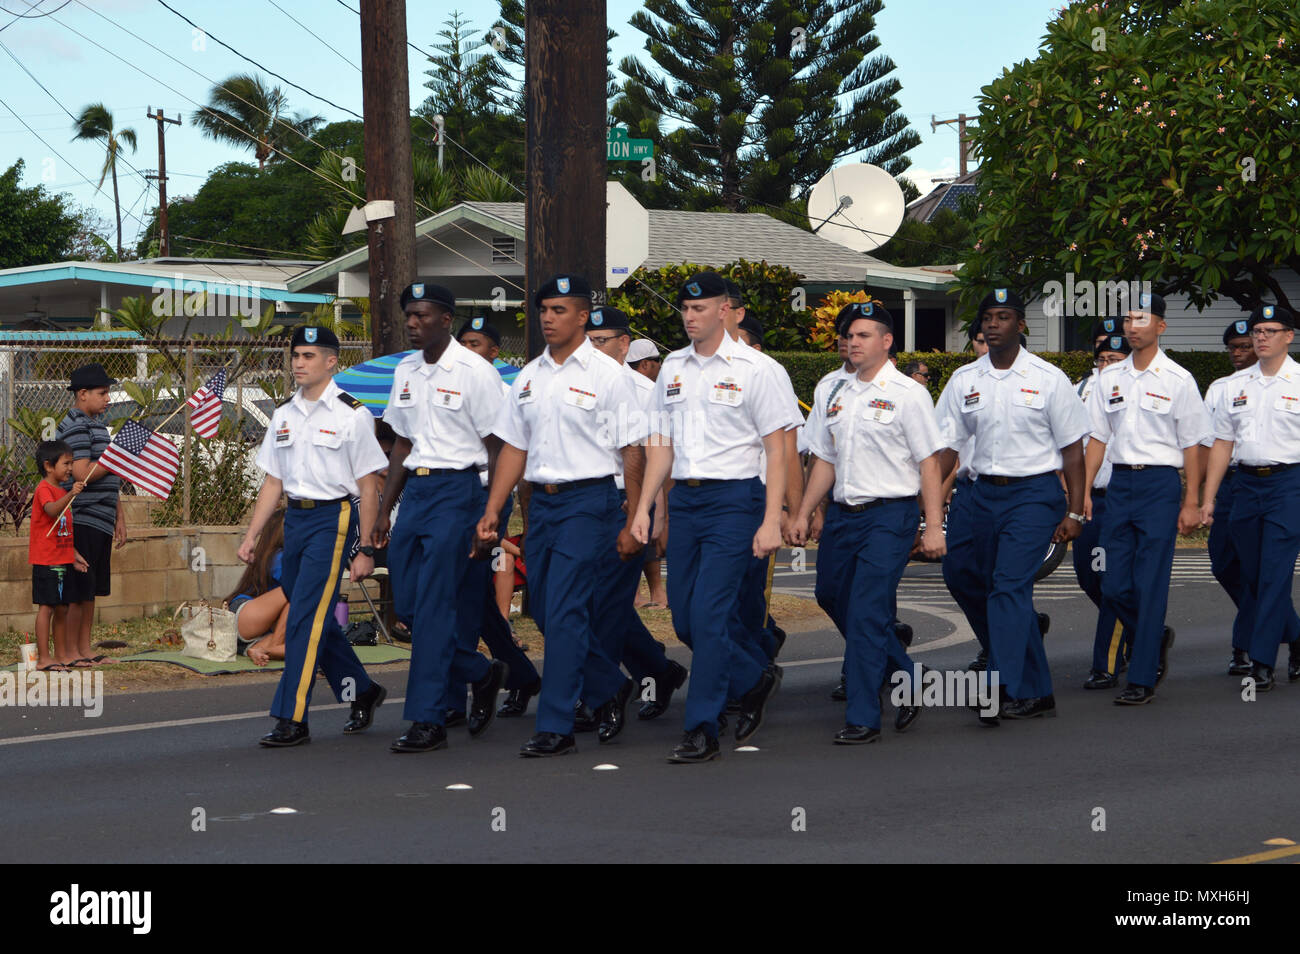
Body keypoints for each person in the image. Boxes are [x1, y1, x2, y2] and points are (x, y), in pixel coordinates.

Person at [476, 273, 644, 758]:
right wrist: (493, 509)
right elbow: (514, 447)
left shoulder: (609, 375)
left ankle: (556, 724)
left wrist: (635, 516)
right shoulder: (529, 376)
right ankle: (608, 684)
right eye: (544, 310)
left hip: (589, 502)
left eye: (559, 310)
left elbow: (633, 448)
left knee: (567, 611)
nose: (548, 319)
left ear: (583, 316)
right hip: (544, 505)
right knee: (546, 611)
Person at [630, 270, 789, 763]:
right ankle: (752, 677)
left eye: (699, 308)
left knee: (710, 613)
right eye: (684, 308)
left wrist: (772, 518)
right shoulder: (673, 368)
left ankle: (702, 727)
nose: (689, 316)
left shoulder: (757, 369)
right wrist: (646, 507)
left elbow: (778, 450)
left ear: (724, 310)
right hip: (687, 502)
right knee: (684, 619)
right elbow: (660, 444)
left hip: (736, 500)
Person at [792, 301, 947, 742]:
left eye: (863, 335)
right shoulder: (832, 390)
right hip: (844, 515)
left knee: (865, 612)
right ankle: (908, 675)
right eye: (849, 335)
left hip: (889, 515)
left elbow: (929, 463)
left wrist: (933, 526)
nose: (853, 342)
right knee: (829, 594)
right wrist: (804, 511)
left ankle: (862, 718)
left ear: (886, 341)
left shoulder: (908, 393)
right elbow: (824, 458)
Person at [935, 288, 1088, 723]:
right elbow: (946, 447)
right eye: (987, 317)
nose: (993, 324)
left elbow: (1073, 452)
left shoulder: (1048, 378)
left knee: (1007, 586)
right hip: (979, 494)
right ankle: (1033, 682)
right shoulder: (965, 379)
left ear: (1021, 325)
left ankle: (1000, 685)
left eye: (1003, 317)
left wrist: (1075, 511)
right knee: (967, 577)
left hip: (1033, 495)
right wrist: (922, 498)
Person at [371, 282, 510, 753]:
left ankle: (427, 721)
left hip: (459, 491)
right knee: (408, 606)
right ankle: (479, 671)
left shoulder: (475, 372)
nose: (412, 323)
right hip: (417, 493)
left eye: (422, 316)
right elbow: (402, 443)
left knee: (432, 609)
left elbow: (498, 445)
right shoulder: (406, 370)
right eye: (409, 315)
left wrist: (492, 511)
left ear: (446, 320)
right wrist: (385, 511)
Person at [242, 325, 390, 747]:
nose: (299, 363)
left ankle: (292, 718)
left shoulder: (352, 414)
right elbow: (273, 481)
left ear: (331, 362)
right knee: (313, 612)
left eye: (308, 356)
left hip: (333, 519)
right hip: (295, 521)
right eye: (295, 355)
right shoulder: (284, 414)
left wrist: (366, 548)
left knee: (304, 619)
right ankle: (362, 690)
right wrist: (252, 535)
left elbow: (368, 487)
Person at [1083, 292, 1209, 705]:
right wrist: (1083, 492)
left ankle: (1141, 679)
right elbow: (1097, 438)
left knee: (1150, 583)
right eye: (1128, 320)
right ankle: (1152, 638)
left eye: (1141, 319)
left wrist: (1192, 502)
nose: (1132, 327)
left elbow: (1192, 444)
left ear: (1160, 326)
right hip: (1120, 485)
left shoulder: (1178, 379)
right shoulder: (1109, 378)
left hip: (1159, 485)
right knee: (1113, 584)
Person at [584, 304, 688, 725]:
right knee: (592, 601)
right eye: (588, 341)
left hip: (627, 501)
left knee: (607, 603)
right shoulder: (575, 381)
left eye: (601, 341)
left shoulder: (646, 390)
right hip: (583, 502)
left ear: (624, 344)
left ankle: (599, 695)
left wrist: (658, 514)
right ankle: (657, 671)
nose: (593, 348)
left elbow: (661, 456)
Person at [1201, 305, 1300, 688]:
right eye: (1257, 331)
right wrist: (1208, 498)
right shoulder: (1235, 385)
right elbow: (1222, 444)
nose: (1261, 337)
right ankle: (1296, 637)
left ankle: (1262, 662)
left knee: (1274, 573)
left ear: (1288, 336)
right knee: (1253, 574)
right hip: (1245, 485)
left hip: (1288, 484)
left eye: (1269, 331)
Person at [452, 316, 543, 720]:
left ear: (494, 352)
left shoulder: (506, 394)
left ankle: (458, 696)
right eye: (463, 343)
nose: (468, 351)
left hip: (487, 498)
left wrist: (499, 508)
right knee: (471, 598)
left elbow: (516, 457)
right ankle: (519, 674)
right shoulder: (447, 385)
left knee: (466, 595)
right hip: (450, 500)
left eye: (477, 344)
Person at [1201, 318, 1263, 676]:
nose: (1238, 353)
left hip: (1261, 481)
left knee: (1258, 567)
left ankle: (1246, 643)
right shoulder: (1220, 388)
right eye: (1233, 348)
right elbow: (1209, 442)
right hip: (1228, 482)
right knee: (1223, 563)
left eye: (1244, 347)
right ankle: (1289, 629)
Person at [56, 363, 127, 667]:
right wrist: (114, 459)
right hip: (82, 518)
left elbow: (109, 475)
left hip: (101, 519)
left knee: (90, 591)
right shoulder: (76, 425)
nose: (108, 398)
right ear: (82, 394)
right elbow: (81, 473)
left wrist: (119, 517)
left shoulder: (97, 425)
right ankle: (71, 652)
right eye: (103, 393)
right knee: (77, 590)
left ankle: (85, 649)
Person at [1075, 336, 1133, 689]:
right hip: (1088, 499)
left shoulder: (1137, 390)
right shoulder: (1080, 390)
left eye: (1115, 358)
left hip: (1121, 497)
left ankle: (1106, 664)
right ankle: (1143, 629)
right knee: (1088, 576)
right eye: (1101, 358)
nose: (1106, 365)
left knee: (1113, 581)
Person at [28, 441, 88, 671]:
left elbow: (63, 532)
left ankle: (61, 655)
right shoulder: (44, 489)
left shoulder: (63, 492)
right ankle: (44, 658)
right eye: (66, 463)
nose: (71, 468)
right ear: (48, 466)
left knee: (62, 608)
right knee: (47, 608)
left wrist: (74, 555)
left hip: (63, 560)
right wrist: (71, 494)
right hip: (47, 562)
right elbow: (52, 510)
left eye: (72, 463)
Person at [627, 339, 670, 611]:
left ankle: (653, 593)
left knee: (644, 535)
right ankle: (645, 593)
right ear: (645, 364)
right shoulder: (646, 390)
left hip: (643, 469)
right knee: (641, 534)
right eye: (657, 362)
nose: (659, 367)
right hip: (639, 470)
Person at [226, 507, 288, 667]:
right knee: (299, 590)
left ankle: (261, 650)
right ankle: (274, 647)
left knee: (309, 647)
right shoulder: (279, 556)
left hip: (257, 634)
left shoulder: (269, 554)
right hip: (246, 615)